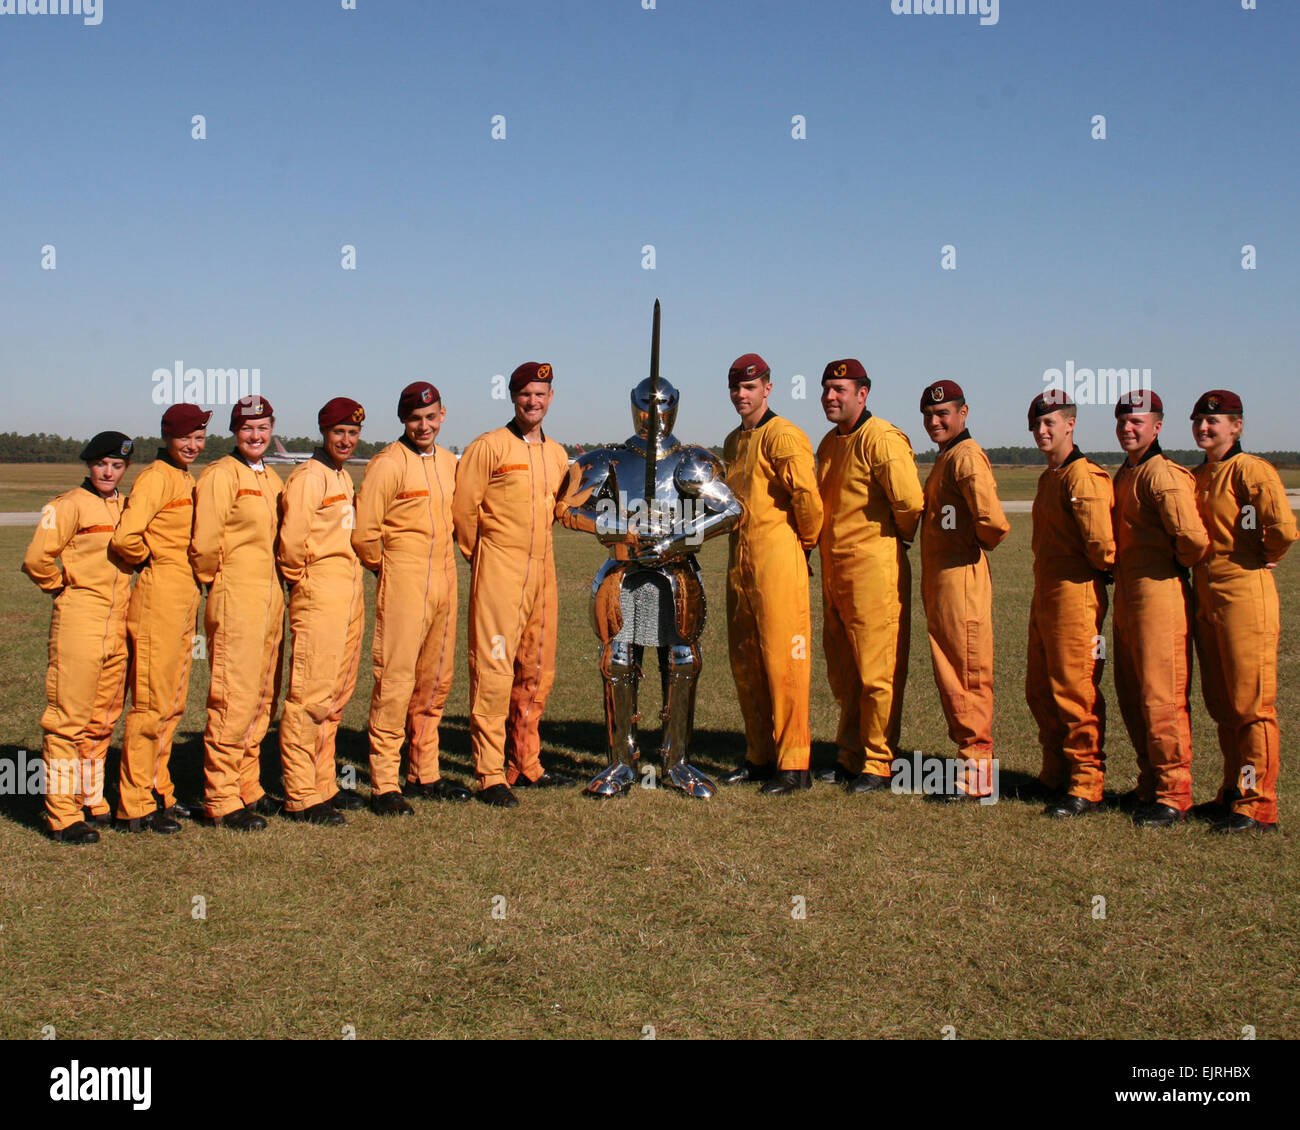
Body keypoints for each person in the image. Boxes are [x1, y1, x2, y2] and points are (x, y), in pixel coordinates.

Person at [558, 372, 741, 798]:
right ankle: (621, 761)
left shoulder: (691, 461)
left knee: (681, 661)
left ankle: (676, 760)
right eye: (647, 405)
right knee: (618, 660)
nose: (655, 414)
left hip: (676, 574)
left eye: (663, 405)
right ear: (634, 405)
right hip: (623, 573)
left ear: (675, 405)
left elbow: (730, 512)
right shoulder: (610, 460)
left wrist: (677, 539)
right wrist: (613, 526)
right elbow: (567, 510)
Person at [452, 362, 574, 807]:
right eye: (525, 394)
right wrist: (484, 558)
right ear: (512, 396)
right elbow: (464, 514)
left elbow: (562, 508)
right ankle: (489, 772)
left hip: (544, 573)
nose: (533, 401)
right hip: (500, 573)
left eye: (540, 394)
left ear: (551, 398)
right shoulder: (489, 447)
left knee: (537, 670)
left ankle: (526, 762)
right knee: (494, 670)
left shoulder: (558, 454)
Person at [353, 381, 470, 815]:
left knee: (436, 681)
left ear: (443, 415)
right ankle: (384, 782)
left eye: (431, 417)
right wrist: (392, 569)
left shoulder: (449, 463)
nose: (424, 426)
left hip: (444, 581)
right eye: (415, 419)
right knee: (396, 681)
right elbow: (365, 534)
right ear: (404, 421)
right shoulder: (388, 463)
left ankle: (424, 771)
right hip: (404, 581)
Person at [1188, 390, 1297, 833]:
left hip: (1244, 592)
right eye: (1198, 420)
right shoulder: (1198, 475)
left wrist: (1262, 556)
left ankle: (1258, 804)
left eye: (1216, 421)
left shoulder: (1251, 470)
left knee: (1251, 703)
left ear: (1238, 426)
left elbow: (1283, 529)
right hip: (1207, 593)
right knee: (1222, 703)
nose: (1205, 428)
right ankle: (1232, 790)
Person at [815, 359, 923, 794]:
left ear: (863, 394)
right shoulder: (829, 442)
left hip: (874, 573)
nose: (830, 396)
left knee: (877, 671)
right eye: (826, 389)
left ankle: (878, 762)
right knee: (844, 672)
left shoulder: (881, 439)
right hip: (835, 572)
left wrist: (889, 544)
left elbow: (910, 503)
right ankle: (849, 754)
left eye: (840, 389)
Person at [22, 431, 135, 843]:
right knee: (67, 720)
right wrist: (61, 587)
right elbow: (37, 559)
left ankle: (91, 797)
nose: (108, 471)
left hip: (117, 625)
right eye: (102, 463)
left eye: (117, 465)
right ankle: (61, 812)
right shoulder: (68, 505)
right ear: (90, 464)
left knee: (102, 719)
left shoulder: (126, 506)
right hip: (79, 624)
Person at [720, 353, 823, 795]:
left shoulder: (784, 436)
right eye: (736, 387)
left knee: (785, 662)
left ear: (768, 388)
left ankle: (794, 764)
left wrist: (804, 543)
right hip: (740, 564)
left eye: (751, 386)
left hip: (778, 561)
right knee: (747, 661)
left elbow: (808, 499)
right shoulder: (733, 441)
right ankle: (759, 755)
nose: (743, 395)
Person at [110, 403, 211, 833]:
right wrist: (154, 560)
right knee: (150, 705)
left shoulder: (186, 477)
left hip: (184, 597)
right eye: (185, 436)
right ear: (168, 437)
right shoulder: (155, 478)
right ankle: (134, 804)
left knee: (172, 704)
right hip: (159, 597)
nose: (193, 444)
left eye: (199, 436)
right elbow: (126, 537)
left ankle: (159, 790)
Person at [1111, 388, 1209, 827]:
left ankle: (1174, 792)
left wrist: (1172, 567)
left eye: (1138, 422)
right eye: (1123, 421)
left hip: (1160, 594)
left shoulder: (1163, 475)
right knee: (1131, 693)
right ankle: (1150, 781)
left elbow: (1192, 540)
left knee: (1161, 696)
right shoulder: (1126, 473)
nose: (1128, 429)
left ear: (1158, 425)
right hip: (1130, 595)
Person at [191, 395, 285, 831]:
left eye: (263, 427)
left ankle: (248, 785)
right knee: (233, 699)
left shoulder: (272, 479)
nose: (256, 435)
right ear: (235, 431)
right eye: (248, 428)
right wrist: (220, 585)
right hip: (237, 600)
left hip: (271, 602)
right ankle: (220, 796)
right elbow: (205, 545)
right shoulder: (220, 475)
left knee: (262, 698)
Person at [277, 397, 368, 826]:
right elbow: (291, 544)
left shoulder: (341, 477)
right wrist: (305, 582)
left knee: (335, 697)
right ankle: (299, 793)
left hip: (348, 594)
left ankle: (323, 782)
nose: (346, 440)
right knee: (309, 696)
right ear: (323, 432)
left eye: (352, 434)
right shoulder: (309, 478)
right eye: (339, 433)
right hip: (320, 595)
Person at [1024, 390, 1115, 818]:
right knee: (1041, 688)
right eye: (1038, 425)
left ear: (1070, 424)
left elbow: (1103, 547)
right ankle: (1056, 772)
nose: (1043, 431)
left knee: (1075, 689)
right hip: (1046, 593)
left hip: (1076, 595)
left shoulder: (1084, 477)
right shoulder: (1050, 478)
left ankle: (1086, 782)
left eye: (1051, 424)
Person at [918, 380, 1009, 801]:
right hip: (942, 581)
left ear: (963, 414)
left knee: (968, 672)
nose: (935, 422)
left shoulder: (966, 457)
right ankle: (968, 765)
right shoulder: (947, 456)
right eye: (930, 416)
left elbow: (991, 523)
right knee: (952, 672)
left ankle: (978, 774)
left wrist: (971, 542)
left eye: (944, 415)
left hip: (962, 578)